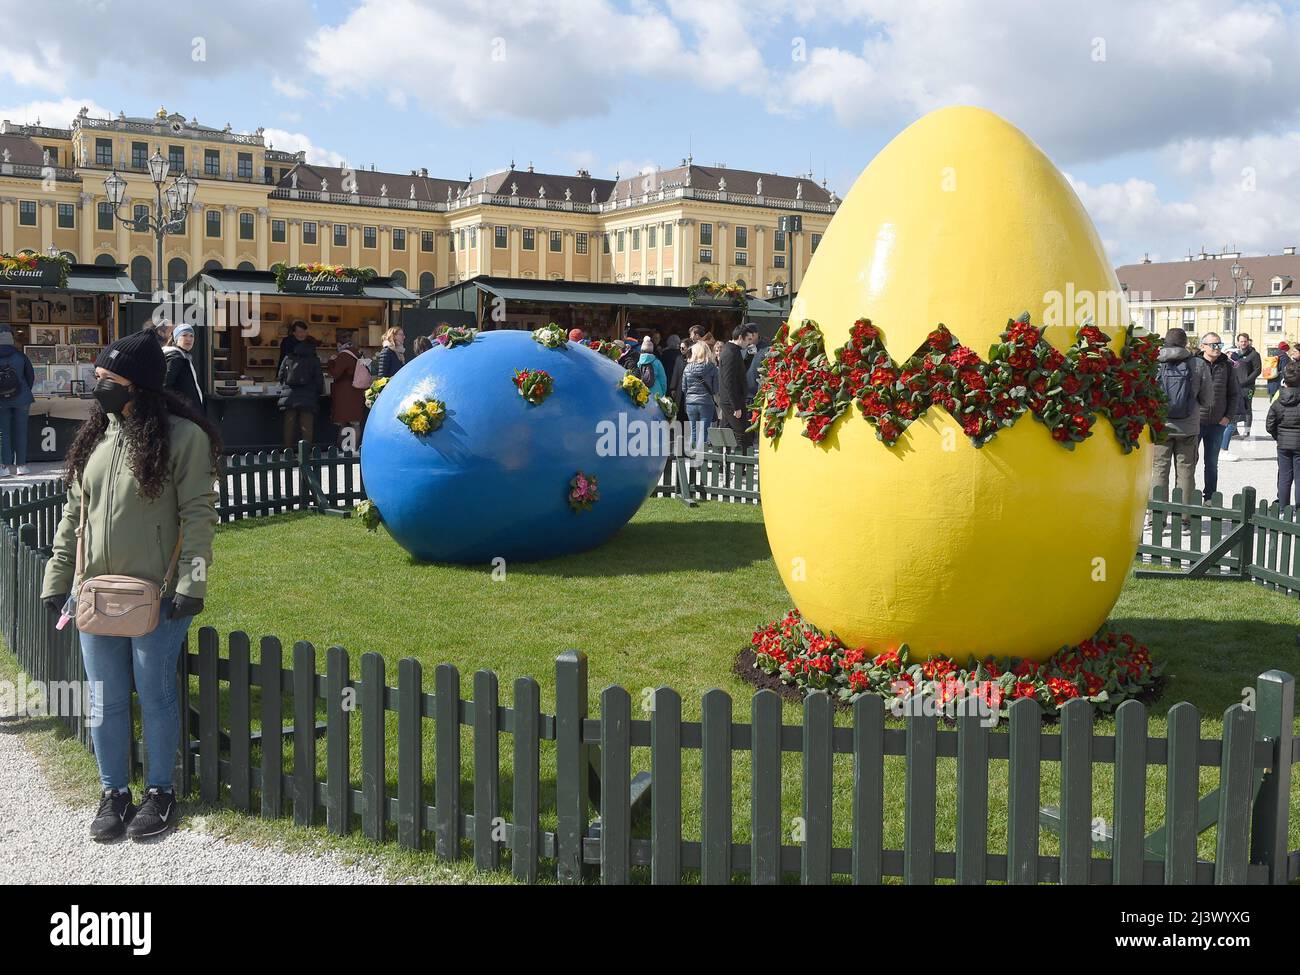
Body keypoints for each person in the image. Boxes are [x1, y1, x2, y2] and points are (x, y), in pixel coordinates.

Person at [39, 329, 219, 842]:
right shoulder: (97, 436)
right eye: (97, 376)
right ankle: (113, 791)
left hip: (156, 597)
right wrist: (58, 576)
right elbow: (75, 513)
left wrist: (193, 583)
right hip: (93, 593)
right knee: (104, 698)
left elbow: (199, 517)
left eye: (108, 378)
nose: (98, 386)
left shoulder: (185, 438)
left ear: (138, 385)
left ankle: (160, 793)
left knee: (155, 695)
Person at [1150, 328, 1212, 511]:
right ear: (1186, 343)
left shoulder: (1155, 363)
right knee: (1186, 471)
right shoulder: (1198, 364)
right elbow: (1207, 400)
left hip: (1161, 426)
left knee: (1160, 470)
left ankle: (1156, 517)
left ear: (1165, 342)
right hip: (1188, 427)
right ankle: (1184, 519)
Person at [1195, 332, 1240, 500]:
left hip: (1217, 423)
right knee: (1190, 462)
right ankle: (1187, 496)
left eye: (1219, 345)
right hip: (1196, 422)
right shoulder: (1194, 364)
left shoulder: (1227, 366)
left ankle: (1210, 497)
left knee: (1212, 463)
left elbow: (1234, 394)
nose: (1217, 348)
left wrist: (1228, 417)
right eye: (1213, 345)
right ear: (1203, 346)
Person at [0, 325, 36, 476]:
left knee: (3, 432)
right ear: (11, 339)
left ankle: (4, 467)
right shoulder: (21, 356)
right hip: (22, 399)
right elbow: (31, 376)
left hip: (1, 400)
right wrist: (24, 390)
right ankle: (21, 466)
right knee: (21, 431)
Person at [278, 332, 324, 448]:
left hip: (289, 397)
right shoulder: (314, 360)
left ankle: (287, 451)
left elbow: (280, 376)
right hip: (308, 397)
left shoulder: (288, 357)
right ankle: (305, 454)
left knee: (289, 425)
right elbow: (319, 380)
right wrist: (317, 392)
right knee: (306, 426)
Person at [719, 322, 759, 448]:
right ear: (741, 337)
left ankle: (721, 465)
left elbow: (739, 372)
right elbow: (729, 381)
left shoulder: (733, 350)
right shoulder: (731, 352)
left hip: (731, 400)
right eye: (748, 339)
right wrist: (736, 406)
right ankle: (740, 466)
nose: (749, 343)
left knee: (726, 434)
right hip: (732, 401)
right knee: (742, 434)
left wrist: (750, 357)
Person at [1266, 361, 1300, 506]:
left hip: (1283, 443)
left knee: (1284, 477)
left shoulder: (1277, 401)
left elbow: (1269, 425)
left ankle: (1282, 509)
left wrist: (1278, 436)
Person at [327, 334, 366, 448]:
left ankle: (344, 449)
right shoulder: (358, 354)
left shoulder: (343, 355)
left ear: (339, 344)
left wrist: (330, 362)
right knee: (355, 422)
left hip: (345, 393)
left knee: (344, 422)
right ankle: (353, 449)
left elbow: (336, 374)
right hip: (357, 391)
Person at [1224, 332, 1261, 448]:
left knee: (1247, 407)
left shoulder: (1254, 354)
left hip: (1247, 386)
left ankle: (1247, 430)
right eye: (1241, 341)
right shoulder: (1235, 354)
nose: (1243, 343)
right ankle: (1233, 429)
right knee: (1234, 407)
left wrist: (1246, 381)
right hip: (1236, 386)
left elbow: (1257, 370)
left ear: (1248, 341)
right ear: (1238, 342)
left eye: (1245, 341)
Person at [682, 339, 719, 451]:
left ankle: (693, 455)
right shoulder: (711, 367)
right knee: (704, 431)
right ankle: (701, 457)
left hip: (690, 403)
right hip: (706, 402)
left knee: (693, 430)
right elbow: (715, 389)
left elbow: (684, 388)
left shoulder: (687, 367)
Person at [162, 323, 204, 412]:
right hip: (183, 414)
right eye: (184, 335)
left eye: (191, 336)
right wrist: (184, 403)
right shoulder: (175, 358)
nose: (189, 339)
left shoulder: (184, 357)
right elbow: (165, 386)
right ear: (176, 339)